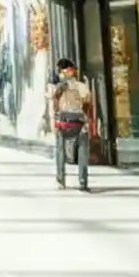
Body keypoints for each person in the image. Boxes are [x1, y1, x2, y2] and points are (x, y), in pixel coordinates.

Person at [51, 58, 92, 191]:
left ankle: (62, 181)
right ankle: (82, 181)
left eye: (66, 70)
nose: (65, 72)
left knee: (62, 151)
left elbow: (55, 106)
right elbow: (87, 104)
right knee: (81, 152)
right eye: (64, 70)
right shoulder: (79, 86)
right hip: (76, 121)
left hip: (66, 121)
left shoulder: (63, 87)